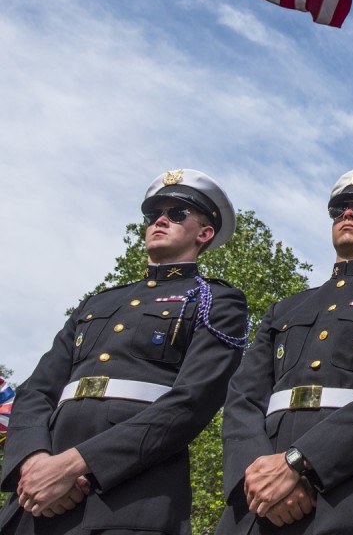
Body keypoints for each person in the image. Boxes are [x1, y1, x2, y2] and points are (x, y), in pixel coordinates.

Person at [0, 169, 248, 535]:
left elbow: (190, 403)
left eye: (177, 214)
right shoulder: (97, 302)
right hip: (36, 499)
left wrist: (74, 465)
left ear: (204, 233)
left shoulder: (218, 301)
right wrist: (34, 461)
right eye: (153, 215)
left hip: (128, 500)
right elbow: (36, 391)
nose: (160, 220)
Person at [216, 168, 353, 534]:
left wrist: (298, 463)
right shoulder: (286, 308)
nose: (347, 214)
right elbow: (242, 398)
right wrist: (257, 473)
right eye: (340, 209)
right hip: (260, 498)